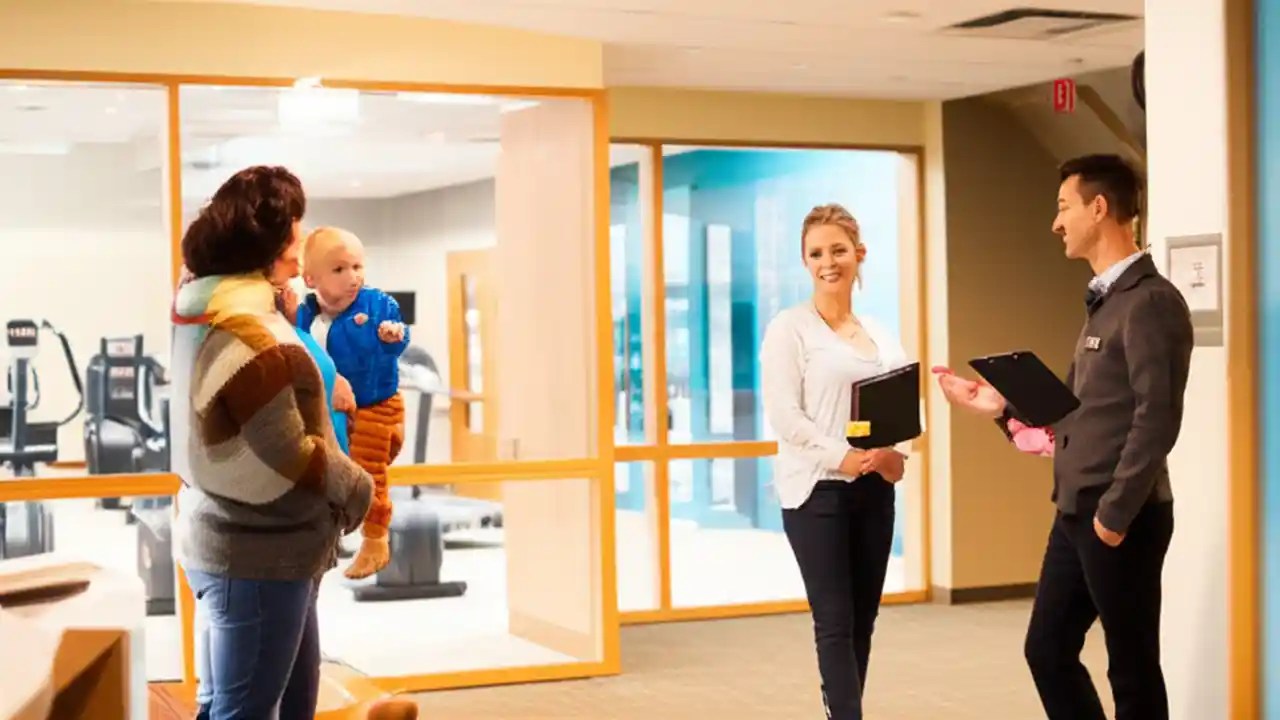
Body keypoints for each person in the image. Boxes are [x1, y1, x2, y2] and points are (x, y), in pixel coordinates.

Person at [932, 154, 1193, 720]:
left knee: (1131, 668)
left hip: (1120, 517)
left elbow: (1158, 419)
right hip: (1076, 509)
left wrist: (1115, 516)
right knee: (1047, 650)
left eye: (1063, 207)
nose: (1056, 223)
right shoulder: (1105, 303)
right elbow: (1072, 415)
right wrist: (1001, 407)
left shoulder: (1151, 302)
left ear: (1099, 209)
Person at [170, 165, 374, 720]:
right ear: (268, 239)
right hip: (258, 552)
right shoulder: (249, 333)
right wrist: (360, 489)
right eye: (294, 227)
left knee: (252, 707)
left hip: (242, 543)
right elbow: (287, 453)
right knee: (248, 712)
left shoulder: (207, 309)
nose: (302, 239)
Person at [760, 203, 915, 720]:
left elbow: (900, 408)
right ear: (805, 262)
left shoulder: (879, 333)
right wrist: (843, 458)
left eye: (838, 250)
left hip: (874, 489)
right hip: (816, 492)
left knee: (862, 620)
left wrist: (897, 458)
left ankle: (842, 710)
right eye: (816, 253)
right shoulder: (791, 329)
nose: (828, 262)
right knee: (834, 619)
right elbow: (785, 416)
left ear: (859, 255)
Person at [291, 226, 410, 579]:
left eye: (357, 267)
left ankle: (376, 538)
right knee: (335, 467)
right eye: (339, 269)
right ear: (311, 278)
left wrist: (392, 337)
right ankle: (337, 527)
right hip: (335, 411)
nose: (352, 277)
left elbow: (396, 337)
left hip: (375, 403)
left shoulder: (376, 305)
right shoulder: (306, 314)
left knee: (369, 469)